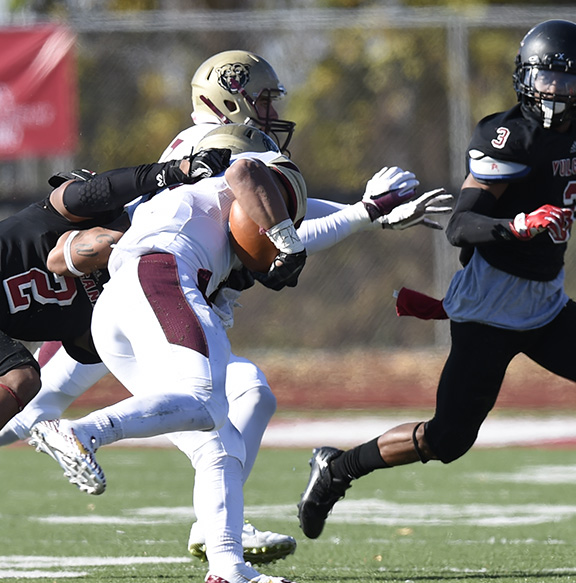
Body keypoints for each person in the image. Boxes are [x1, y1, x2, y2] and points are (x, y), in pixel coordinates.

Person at [3, 50, 450, 564]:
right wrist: (358, 215)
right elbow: (254, 188)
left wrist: (362, 215)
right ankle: (85, 433)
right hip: (148, 285)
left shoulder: (218, 149)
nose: (269, 111)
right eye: (260, 99)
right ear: (229, 98)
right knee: (55, 409)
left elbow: (276, 207)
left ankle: (223, 553)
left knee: (229, 419)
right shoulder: (223, 147)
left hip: (130, 302)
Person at [296, 20, 576, 566]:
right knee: (447, 440)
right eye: (548, 79)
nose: (559, 93)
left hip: (545, 304)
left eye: (570, 83)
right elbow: (461, 225)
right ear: (526, 79)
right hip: (488, 308)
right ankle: (338, 468)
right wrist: (517, 225)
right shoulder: (507, 137)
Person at [0, 150, 229, 433]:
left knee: (25, 378)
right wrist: (177, 170)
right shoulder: (60, 213)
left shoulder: (137, 273)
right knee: (21, 378)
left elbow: (90, 349)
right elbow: (102, 191)